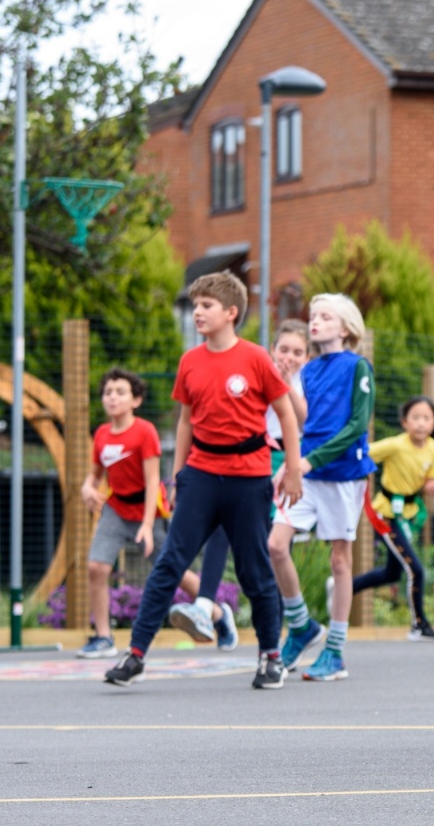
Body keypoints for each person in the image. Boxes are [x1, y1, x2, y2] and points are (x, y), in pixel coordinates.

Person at [103, 271, 303, 689]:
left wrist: (294, 470)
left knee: (254, 571)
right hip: (201, 476)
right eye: (195, 306)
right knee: (169, 564)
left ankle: (270, 658)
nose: (197, 312)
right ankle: (135, 655)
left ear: (231, 313)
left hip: (249, 478)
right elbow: (185, 421)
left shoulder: (254, 359)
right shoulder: (189, 362)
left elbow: (285, 414)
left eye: (206, 305)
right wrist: (179, 475)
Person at [169, 320, 308, 651]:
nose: (290, 356)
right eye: (284, 349)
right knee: (220, 529)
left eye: (298, 352)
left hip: (285, 463)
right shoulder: (253, 367)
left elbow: (302, 419)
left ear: (307, 356)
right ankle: (206, 607)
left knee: (272, 548)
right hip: (247, 459)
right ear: (273, 349)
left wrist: (286, 384)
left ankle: (276, 636)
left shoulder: (302, 381)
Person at [77, 368, 231, 658]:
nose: (112, 397)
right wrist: (87, 488)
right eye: (108, 392)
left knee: (175, 573)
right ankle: (103, 637)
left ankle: (219, 616)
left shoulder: (144, 432)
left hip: (148, 510)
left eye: (120, 392)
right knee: (96, 568)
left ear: (135, 400)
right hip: (116, 509)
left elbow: (152, 483)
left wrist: (147, 525)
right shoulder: (101, 435)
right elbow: (95, 474)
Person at [269, 293, 375, 683]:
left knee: (339, 561)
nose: (315, 322)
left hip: (344, 476)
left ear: (344, 327)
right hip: (308, 474)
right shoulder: (308, 371)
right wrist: (291, 465)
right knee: (276, 545)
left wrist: (305, 462)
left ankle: (335, 651)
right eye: (313, 316)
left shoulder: (358, 367)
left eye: (325, 317)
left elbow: (355, 428)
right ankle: (300, 626)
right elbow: (304, 423)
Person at [351, 395, 434, 641]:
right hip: (386, 514)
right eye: (416, 418)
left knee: (392, 573)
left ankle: (343, 588)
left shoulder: (433, 447)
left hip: (408, 515)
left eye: (426, 418)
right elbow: (363, 453)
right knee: (416, 570)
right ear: (404, 422)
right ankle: (418, 626)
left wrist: (430, 486)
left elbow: (428, 478)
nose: (421, 423)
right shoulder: (395, 445)